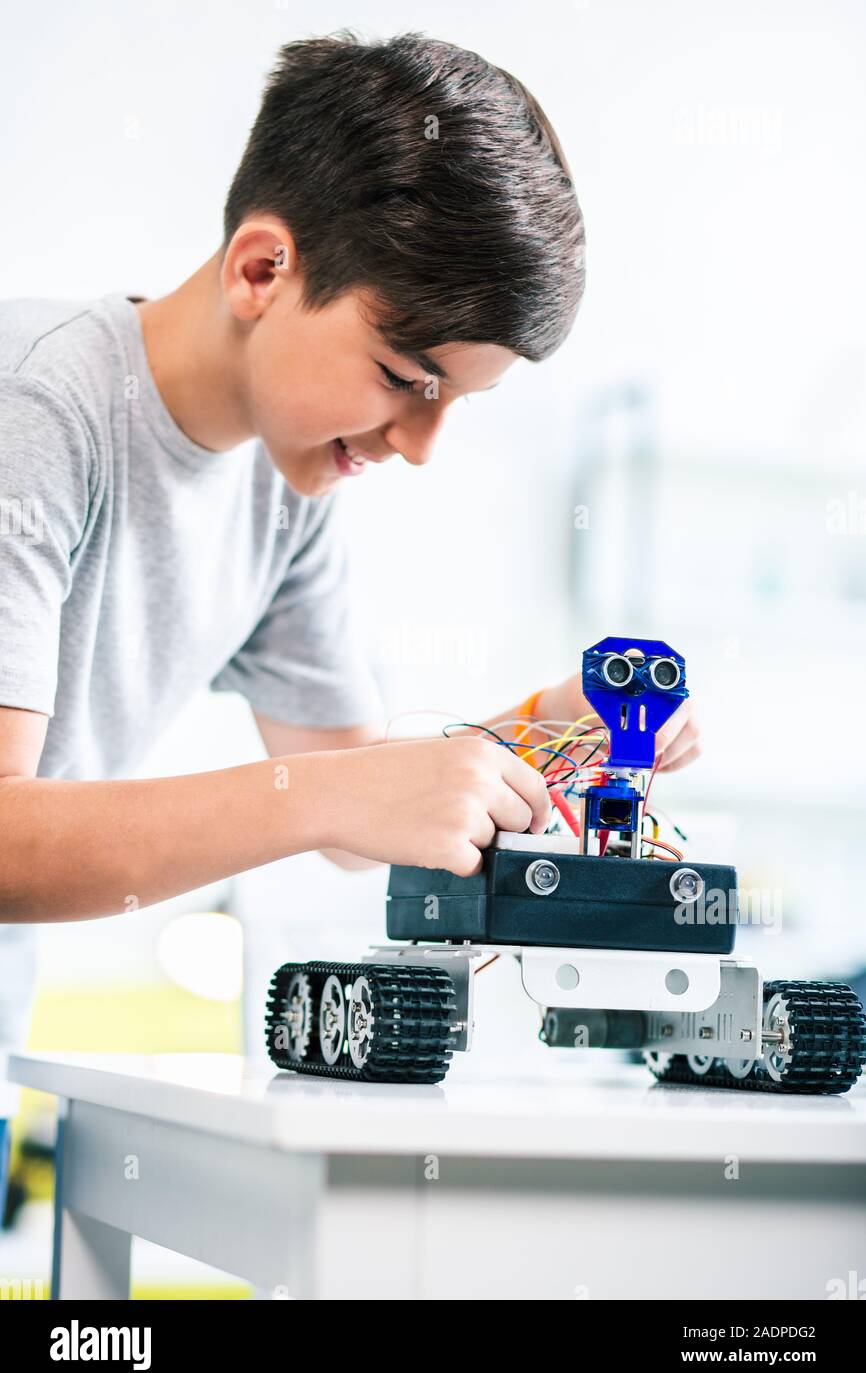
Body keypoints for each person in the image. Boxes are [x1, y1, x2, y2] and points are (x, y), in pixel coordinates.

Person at [0, 31, 699, 1208]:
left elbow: (345, 800)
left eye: (454, 403)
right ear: (262, 270)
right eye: (400, 375)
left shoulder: (286, 487)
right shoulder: (39, 412)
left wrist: (552, 730)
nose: (418, 446)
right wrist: (335, 794)